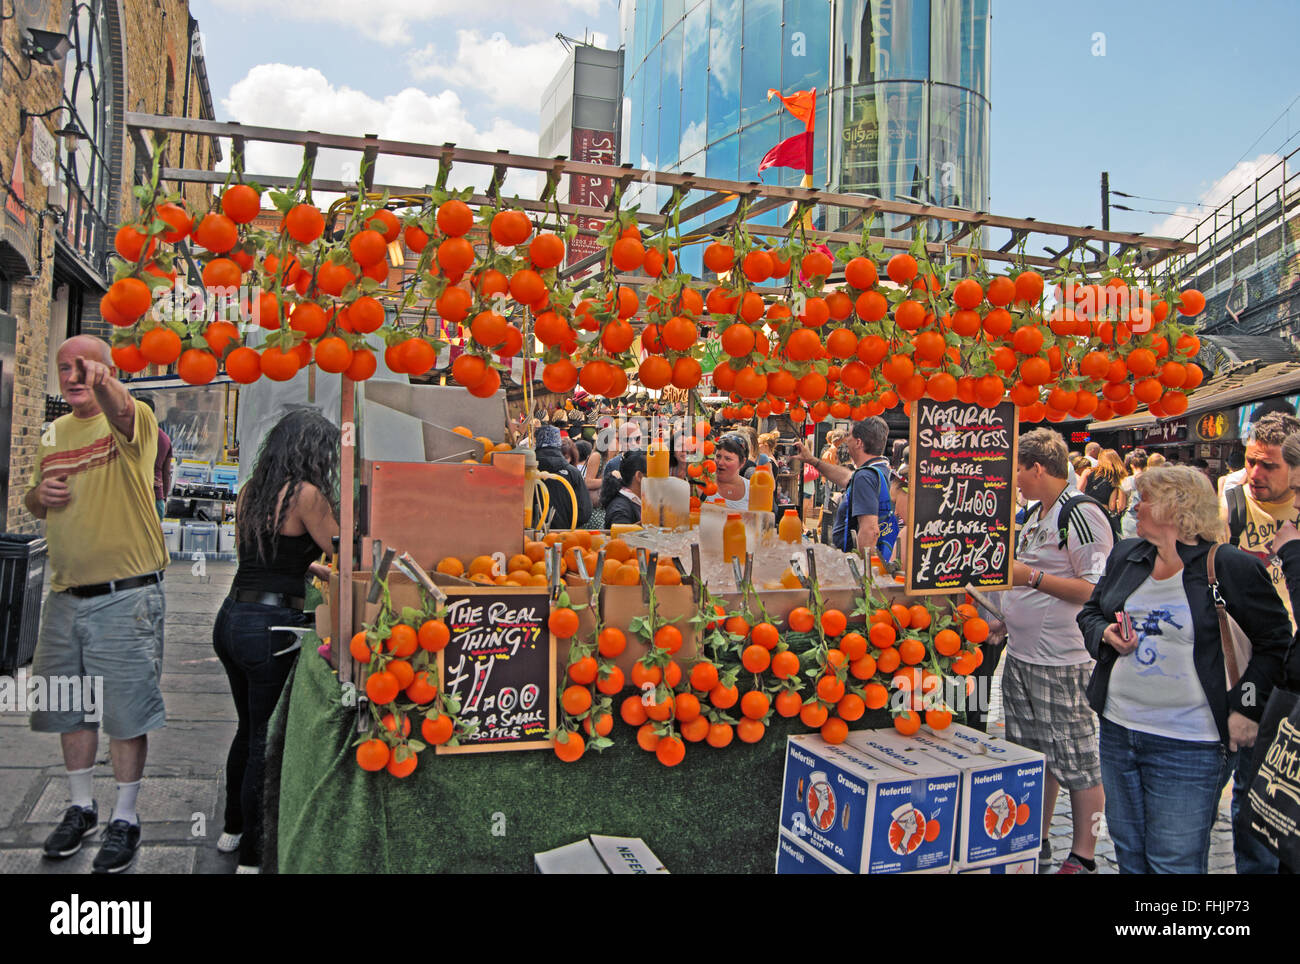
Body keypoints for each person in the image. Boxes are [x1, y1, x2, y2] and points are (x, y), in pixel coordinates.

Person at [1078, 466, 1291, 873]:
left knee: (1173, 860)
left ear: (1180, 509)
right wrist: (1105, 633)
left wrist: (1246, 707)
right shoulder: (1128, 554)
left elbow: (1275, 642)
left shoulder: (1228, 566)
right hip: (1119, 731)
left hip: (1191, 743)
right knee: (1128, 849)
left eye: (1147, 499)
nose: (1135, 507)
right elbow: (1091, 611)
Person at [27, 336, 169, 874]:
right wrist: (40, 497)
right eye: (64, 367)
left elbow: (123, 410)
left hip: (125, 596)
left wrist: (106, 382)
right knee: (70, 706)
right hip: (64, 596)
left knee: (126, 712)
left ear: (109, 372)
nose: (73, 375)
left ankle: (126, 817)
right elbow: (32, 498)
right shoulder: (53, 433)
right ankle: (81, 807)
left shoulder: (134, 421)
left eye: (84, 367)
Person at [213, 409, 339, 873]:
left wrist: (308, 567)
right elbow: (346, 546)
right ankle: (252, 857)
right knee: (265, 739)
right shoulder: (308, 494)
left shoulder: (254, 490)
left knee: (246, 729)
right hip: (268, 627)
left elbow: (269, 553)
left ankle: (232, 829)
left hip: (231, 620)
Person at [1002, 428, 1113, 875]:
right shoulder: (1036, 513)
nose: (1014, 480)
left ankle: (1084, 854)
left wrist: (1029, 578)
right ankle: (1038, 837)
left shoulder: (1080, 513)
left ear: (1037, 467)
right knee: (1033, 754)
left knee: (1078, 759)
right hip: (1025, 655)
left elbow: (1094, 589)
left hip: (1062, 660)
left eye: (1018, 471)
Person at [1216, 410, 1300, 873]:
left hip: (1289, 668)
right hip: (1239, 663)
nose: (1256, 474)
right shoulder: (1229, 496)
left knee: (1271, 792)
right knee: (1227, 779)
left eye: (1269, 466)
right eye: (1251, 461)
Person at [799, 417, 896, 557]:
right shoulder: (880, 468)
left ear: (858, 443)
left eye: (849, 435)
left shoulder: (865, 477)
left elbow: (870, 530)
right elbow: (846, 477)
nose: (846, 440)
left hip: (858, 561)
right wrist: (812, 460)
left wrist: (863, 570)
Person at [535, 425, 591, 530]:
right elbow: (584, 512)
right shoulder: (573, 473)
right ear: (558, 445)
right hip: (565, 537)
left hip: (530, 536)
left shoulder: (526, 471)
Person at [138, 395, 172, 519]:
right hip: (157, 495)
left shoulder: (133, 436)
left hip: (136, 495)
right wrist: (164, 497)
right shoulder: (164, 438)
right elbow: (166, 472)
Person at [1084, 448, 1127, 535]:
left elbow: (1080, 490)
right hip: (1104, 514)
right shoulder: (1117, 478)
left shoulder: (1089, 472)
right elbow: (1114, 506)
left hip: (1088, 511)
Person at [601, 450, 647, 526]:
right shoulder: (620, 509)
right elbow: (620, 536)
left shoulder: (635, 501)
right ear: (639, 476)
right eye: (653, 473)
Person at [713, 435, 752, 511]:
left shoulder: (752, 490)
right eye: (718, 456)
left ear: (742, 462)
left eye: (728, 459)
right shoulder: (702, 486)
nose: (720, 462)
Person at [1117, 448, 1148, 538]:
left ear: (1132, 465)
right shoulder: (1153, 479)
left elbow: (1121, 506)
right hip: (1150, 519)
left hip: (1131, 520)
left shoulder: (1125, 481)